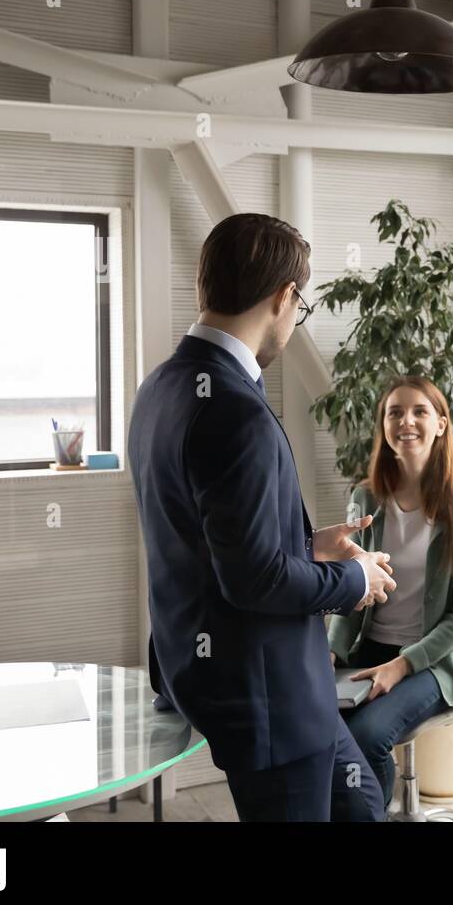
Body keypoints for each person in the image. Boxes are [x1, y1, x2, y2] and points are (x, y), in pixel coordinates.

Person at [128, 213, 396, 822]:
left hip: (241, 680)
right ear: (284, 297)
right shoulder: (235, 409)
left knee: (364, 807)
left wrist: (308, 542)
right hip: (268, 696)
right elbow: (254, 581)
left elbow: (209, 536)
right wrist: (356, 582)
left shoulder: (160, 388)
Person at [328, 377, 453, 815]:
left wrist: (403, 665)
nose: (407, 421)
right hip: (369, 649)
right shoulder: (365, 497)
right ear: (383, 426)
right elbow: (352, 585)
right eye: (395, 412)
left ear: (441, 424)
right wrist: (329, 651)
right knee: (315, 722)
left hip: (435, 661)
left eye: (420, 411)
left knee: (367, 736)